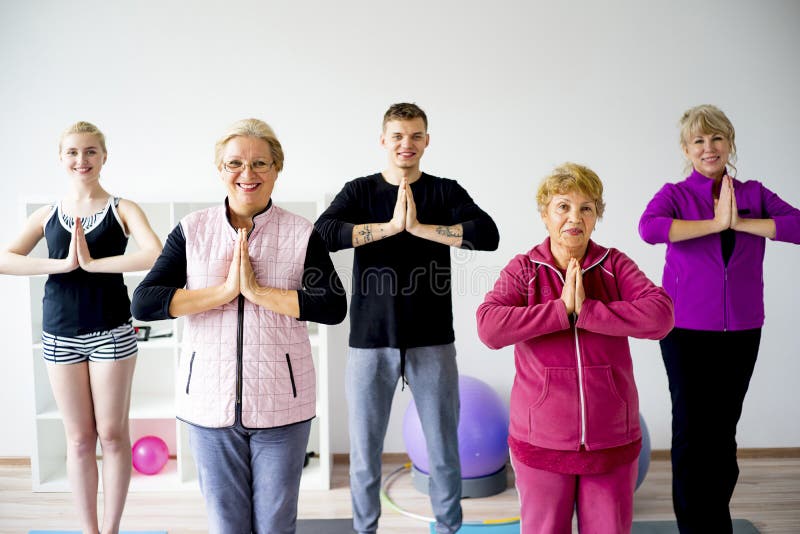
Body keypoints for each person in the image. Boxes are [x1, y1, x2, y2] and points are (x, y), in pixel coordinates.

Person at [131, 118, 347, 534]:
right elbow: (145, 301)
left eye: (260, 163)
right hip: (208, 405)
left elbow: (333, 306)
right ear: (220, 169)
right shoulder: (192, 231)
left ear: (276, 169)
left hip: (283, 406)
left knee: (275, 525)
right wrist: (225, 291)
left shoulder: (302, 234)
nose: (247, 174)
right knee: (227, 525)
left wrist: (260, 292)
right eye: (234, 163)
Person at [314, 102, 499, 534]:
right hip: (369, 341)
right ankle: (365, 530)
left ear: (427, 141)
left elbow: (487, 234)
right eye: (397, 135)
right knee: (364, 455)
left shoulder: (444, 191)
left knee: (443, 452)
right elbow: (323, 233)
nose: (406, 144)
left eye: (415, 135)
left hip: (432, 339)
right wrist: (389, 227)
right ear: (383, 140)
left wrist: (419, 228)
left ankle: (449, 528)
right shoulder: (360, 191)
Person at [476, 163, 673, 533]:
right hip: (541, 443)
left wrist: (589, 311)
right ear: (545, 215)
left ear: (597, 215)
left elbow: (660, 316)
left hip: (611, 441)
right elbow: (489, 326)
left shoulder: (614, 265)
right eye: (563, 206)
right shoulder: (524, 269)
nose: (574, 217)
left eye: (586, 207)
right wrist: (559, 311)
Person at [638, 104, 800, 533]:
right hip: (685, 330)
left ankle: (717, 520)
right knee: (692, 430)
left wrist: (742, 222)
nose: (708, 148)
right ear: (686, 149)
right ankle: (695, 526)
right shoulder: (675, 194)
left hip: (742, 330)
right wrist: (714, 223)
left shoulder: (754, 193)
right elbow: (649, 229)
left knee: (723, 430)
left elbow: (798, 226)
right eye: (698, 141)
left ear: (729, 143)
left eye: (716, 138)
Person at [0, 121, 162, 534]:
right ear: (61, 158)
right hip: (59, 334)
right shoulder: (48, 213)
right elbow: (5, 259)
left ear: (104, 157)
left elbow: (154, 253)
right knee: (78, 439)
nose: (81, 160)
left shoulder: (122, 208)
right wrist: (61, 265)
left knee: (111, 434)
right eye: (73, 152)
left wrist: (94, 265)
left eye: (90, 151)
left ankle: (110, 530)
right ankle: (89, 531)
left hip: (111, 331)